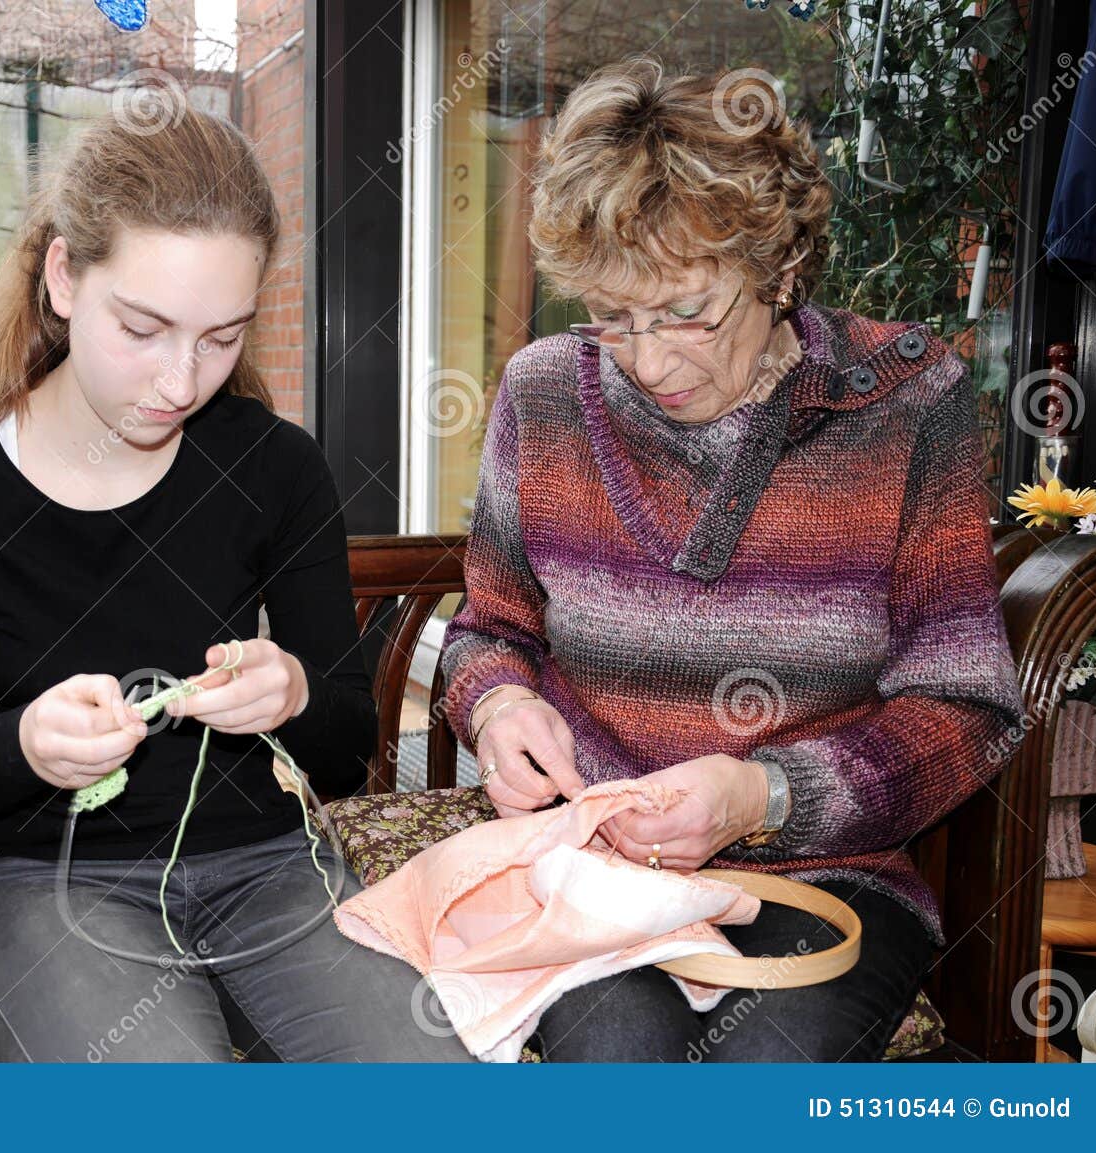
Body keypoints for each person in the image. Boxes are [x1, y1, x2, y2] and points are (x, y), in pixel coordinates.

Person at [0, 108, 474, 1063]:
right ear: (63, 277)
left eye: (222, 338)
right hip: (28, 881)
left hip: (268, 867)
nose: (181, 381)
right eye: (143, 329)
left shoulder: (273, 468)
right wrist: (20, 747)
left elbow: (345, 748)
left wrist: (297, 695)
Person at [439, 58, 1024, 1062]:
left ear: (778, 271)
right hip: (594, 861)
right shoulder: (542, 394)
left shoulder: (908, 405)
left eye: (686, 313)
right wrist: (497, 707)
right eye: (612, 317)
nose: (649, 359)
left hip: (830, 872)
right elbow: (488, 630)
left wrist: (767, 796)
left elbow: (965, 711)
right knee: (618, 1067)